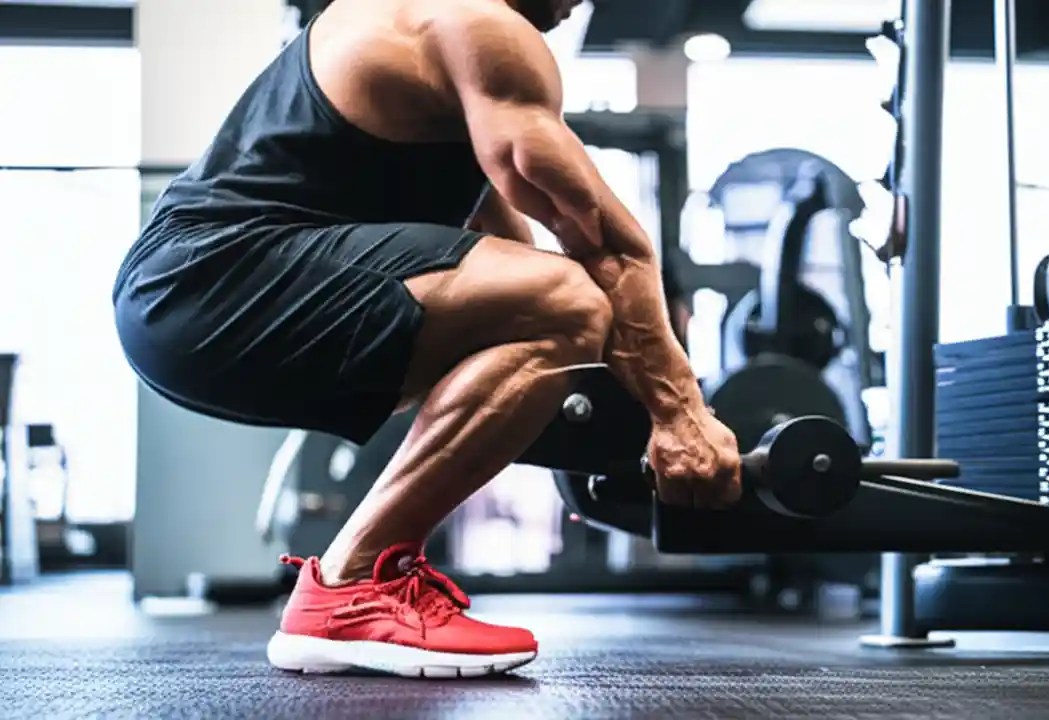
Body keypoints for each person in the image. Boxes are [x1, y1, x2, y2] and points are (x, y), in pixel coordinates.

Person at [112, 0, 742, 678]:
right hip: (207, 281)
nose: (578, 2)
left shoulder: (427, 37)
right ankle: (355, 585)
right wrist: (681, 414)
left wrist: (572, 397)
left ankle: (365, 582)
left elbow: (505, 262)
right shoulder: (484, 28)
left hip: (178, 302)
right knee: (569, 299)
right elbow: (607, 249)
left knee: (553, 308)